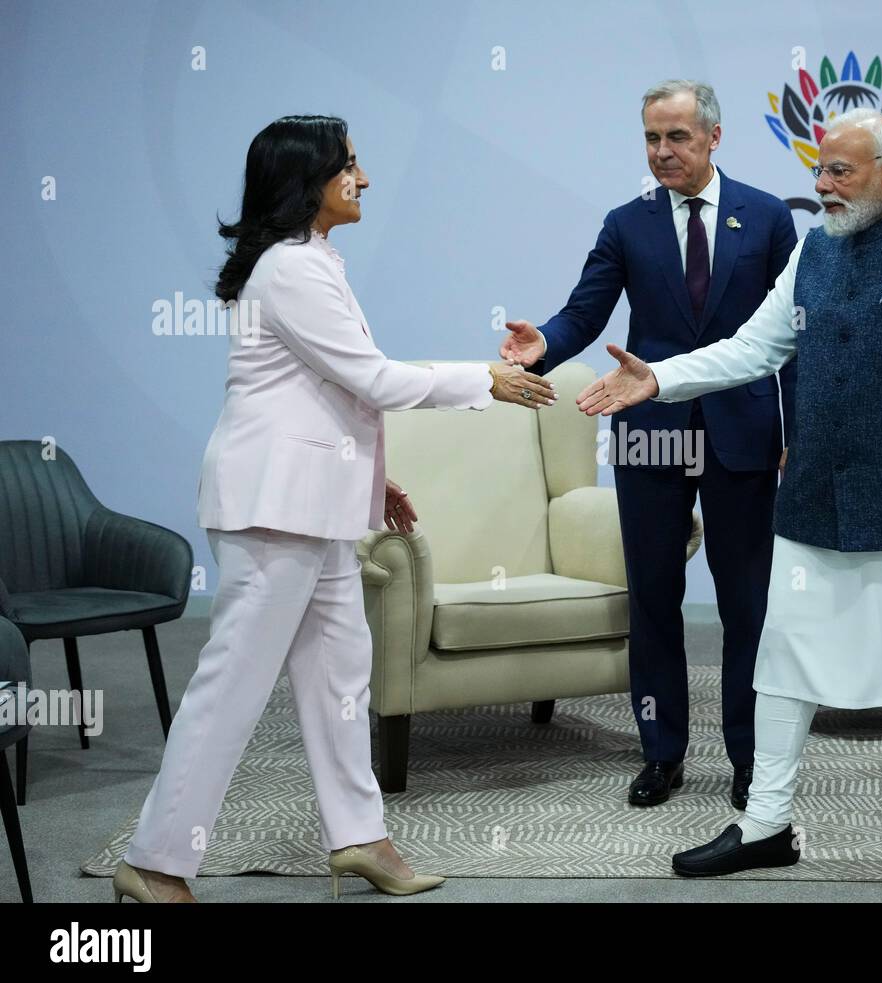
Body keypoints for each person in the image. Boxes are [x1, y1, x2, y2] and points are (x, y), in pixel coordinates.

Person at [574, 108, 882, 880]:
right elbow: (755, 347)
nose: (822, 186)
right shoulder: (815, 247)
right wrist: (659, 378)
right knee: (785, 665)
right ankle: (765, 825)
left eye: (840, 171)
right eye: (818, 171)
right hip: (815, 504)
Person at [112, 115, 555, 903]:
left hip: (311, 505)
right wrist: (481, 380)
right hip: (274, 506)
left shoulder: (312, 260)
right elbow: (373, 379)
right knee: (232, 690)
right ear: (305, 179)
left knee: (340, 677)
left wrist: (372, 479)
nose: (365, 178)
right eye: (349, 165)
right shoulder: (290, 269)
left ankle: (360, 839)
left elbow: (325, 395)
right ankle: (154, 860)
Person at [498, 80, 797, 810]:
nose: (663, 152)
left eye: (678, 138)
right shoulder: (625, 223)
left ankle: (750, 760)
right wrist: (542, 346)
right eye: (651, 139)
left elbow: (796, 337)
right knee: (655, 600)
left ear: (714, 138)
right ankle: (661, 753)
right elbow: (583, 312)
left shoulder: (767, 218)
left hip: (743, 434)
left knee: (747, 605)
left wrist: (799, 433)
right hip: (651, 435)